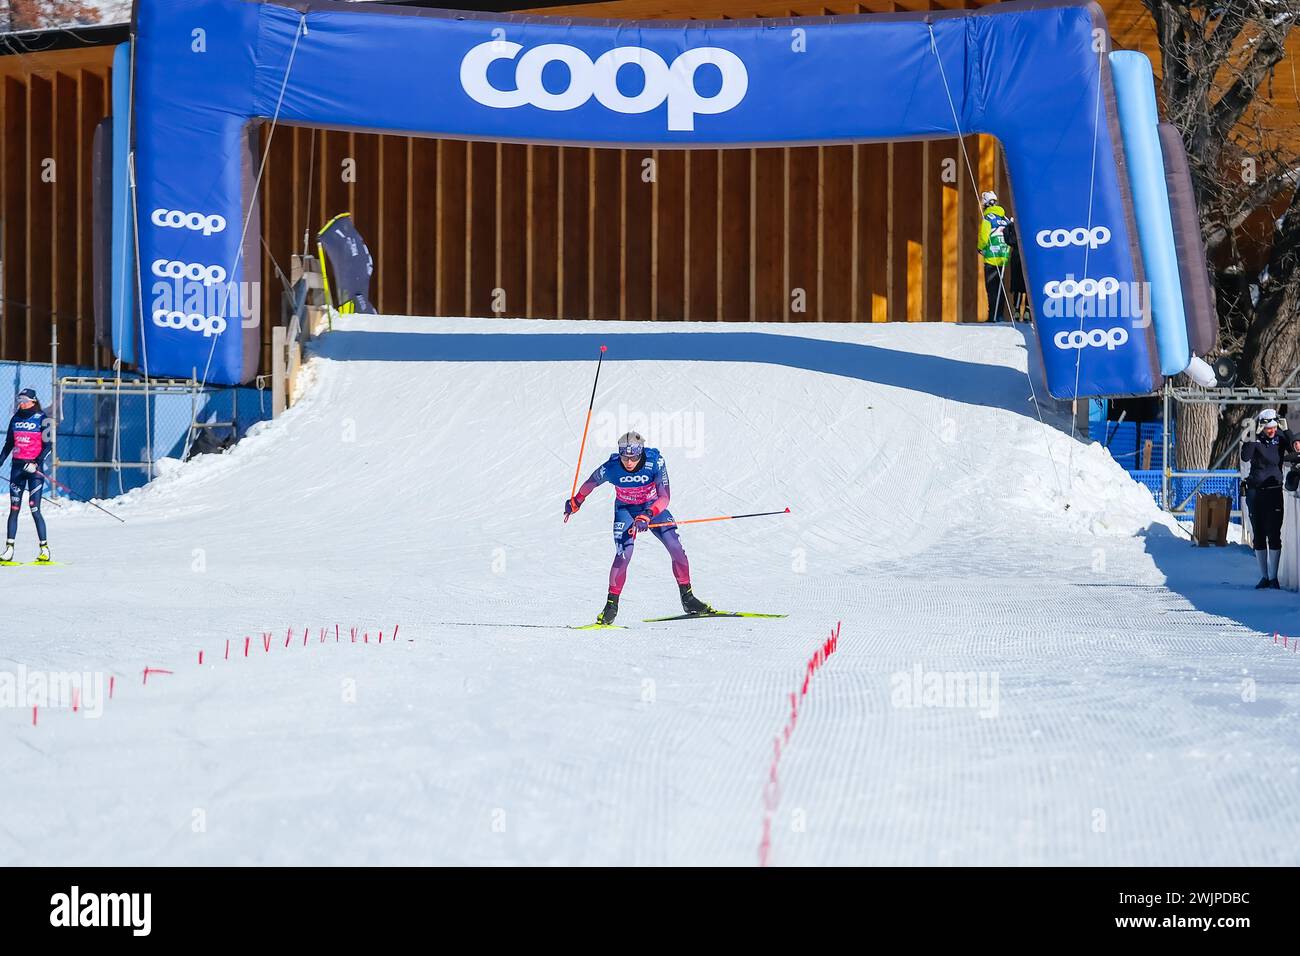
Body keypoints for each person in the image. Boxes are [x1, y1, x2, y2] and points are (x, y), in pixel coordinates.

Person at [564, 431, 712, 624]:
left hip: (652, 508)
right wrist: (576, 501)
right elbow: (590, 483)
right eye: (625, 457)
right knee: (624, 553)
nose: (629, 462)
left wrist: (648, 514)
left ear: (640, 452)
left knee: (675, 547)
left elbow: (664, 497)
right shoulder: (611, 467)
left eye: (633, 457)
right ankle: (610, 608)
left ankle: (688, 598)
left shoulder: (655, 463)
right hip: (625, 509)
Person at [1240, 407, 1300, 589]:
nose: (1272, 431)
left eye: (1274, 428)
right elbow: (1245, 456)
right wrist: (1252, 433)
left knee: (1274, 533)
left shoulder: (1279, 438)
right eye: (1268, 429)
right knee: (1258, 533)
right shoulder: (1255, 437)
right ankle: (1264, 576)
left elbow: (1295, 449)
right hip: (1256, 491)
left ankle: (1273, 577)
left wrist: (1287, 430)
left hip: (1274, 490)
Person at [1, 388, 52, 564]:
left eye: (24, 400)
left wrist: (36, 463)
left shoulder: (44, 419)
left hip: (34, 471)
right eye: (19, 400)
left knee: (34, 509)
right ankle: (9, 549)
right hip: (17, 469)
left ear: (33, 401)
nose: (21, 404)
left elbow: (48, 446)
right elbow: (8, 444)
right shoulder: (15, 418)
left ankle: (44, 549)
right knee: (14, 509)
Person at [978, 191, 1015, 322]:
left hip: (991, 258)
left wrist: (980, 247)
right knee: (1001, 287)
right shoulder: (1005, 219)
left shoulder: (988, 219)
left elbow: (983, 236)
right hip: (1003, 257)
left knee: (992, 288)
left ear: (986, 205)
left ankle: (993, 315)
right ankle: (999, 315)